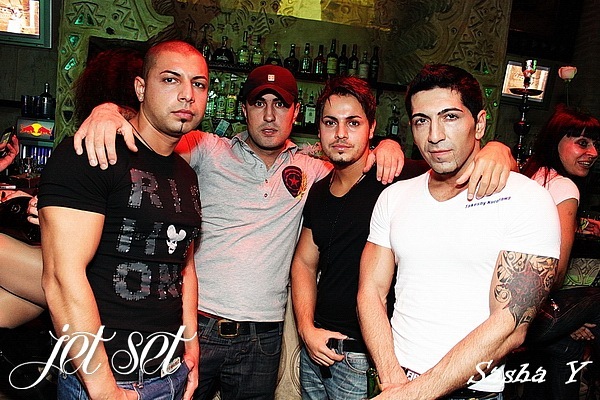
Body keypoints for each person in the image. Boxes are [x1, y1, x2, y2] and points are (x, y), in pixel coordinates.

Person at [73, 64, 514, 399]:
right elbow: (155, 134)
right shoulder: (207, 149)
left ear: (296, 113)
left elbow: (446, 155)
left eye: (281, 104)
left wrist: (495, 148)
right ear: (242, 109)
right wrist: (109, 112)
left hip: (267, 339)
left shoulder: (318, 168)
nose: (269, 115)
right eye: (258, 103)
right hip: (198, 325)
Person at [357, 64, 561, 399]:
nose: (434, 135)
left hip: (472, 391)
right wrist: (391, 377)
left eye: (450, 117)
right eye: (421, 121)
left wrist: (414, 394)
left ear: (479, 123)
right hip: (394, 380)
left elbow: (510, 327)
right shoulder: (394, 197)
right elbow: (370, 291)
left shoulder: (527, 200)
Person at [37, 40, 204, 400]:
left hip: (170, 373)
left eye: (199, 84)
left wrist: (190, 348)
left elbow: (183, 267)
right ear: (140, 88)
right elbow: (62, 277)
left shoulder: (187, 174)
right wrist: (103, 389)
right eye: (171, 79)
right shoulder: (92, 152)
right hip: (109, 380)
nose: (187, 94)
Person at [291, 76, 430, 399]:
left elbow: (464, 165)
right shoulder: (319, 191)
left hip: (365, 358)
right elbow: (304, 263)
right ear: (318, 129)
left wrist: (496, 152)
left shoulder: (397, 177)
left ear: (371, 128)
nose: (340, 134)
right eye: (330, 122)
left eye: (353, 122)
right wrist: (306, 328)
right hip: (317, 351)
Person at [0, 47, 144, 329]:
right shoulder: (146, 145)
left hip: (101, 282)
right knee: (9, 304)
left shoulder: (101, 141)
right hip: (117, 281)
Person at [518, 104, 600, 400]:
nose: (593, 152)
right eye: (582, 142)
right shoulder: (564, 187)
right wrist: (564, 317)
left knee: (563, 347)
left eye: (595, 144)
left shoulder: (531, 176)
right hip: (528, 312)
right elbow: (557, 271)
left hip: (507, 305)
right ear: (556, 141)